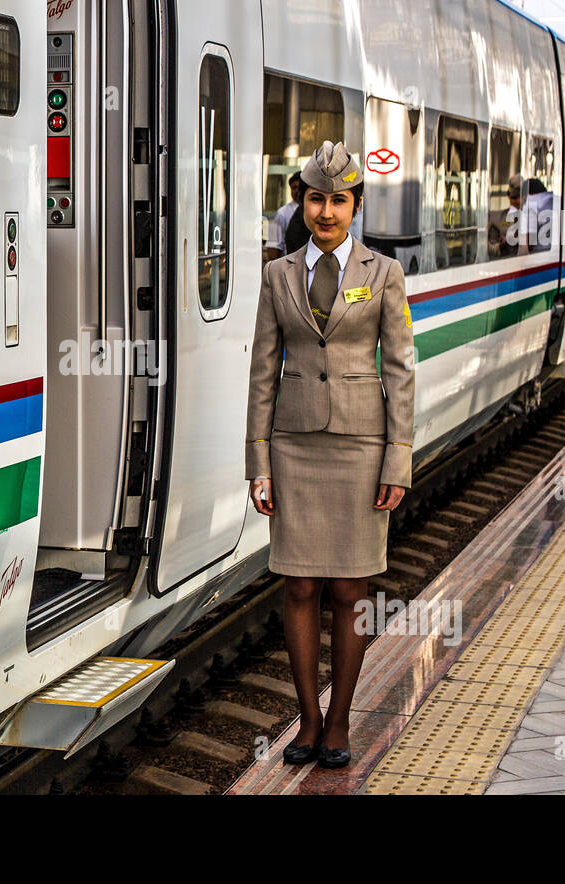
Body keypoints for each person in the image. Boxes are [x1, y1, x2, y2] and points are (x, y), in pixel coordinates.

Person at [244, 140, 415, 769]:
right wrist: (257, 462)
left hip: (361, 447)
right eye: (316, 199)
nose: (326, 212)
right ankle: (308, 720)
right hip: (293, 445)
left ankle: (340, 719)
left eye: (339, 200)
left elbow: (400, 371)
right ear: (303, 202)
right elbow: (264, 371)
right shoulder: (277, 276)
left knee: (349, 587)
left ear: (356, 205)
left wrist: (397, 458)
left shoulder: (383, 274)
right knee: (298, 586)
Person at [265, 174, 305, 261]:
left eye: (300, 187)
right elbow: (273, 246)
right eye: (294, 187)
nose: (298, 191)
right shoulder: (281, 213)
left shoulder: (312, 210)